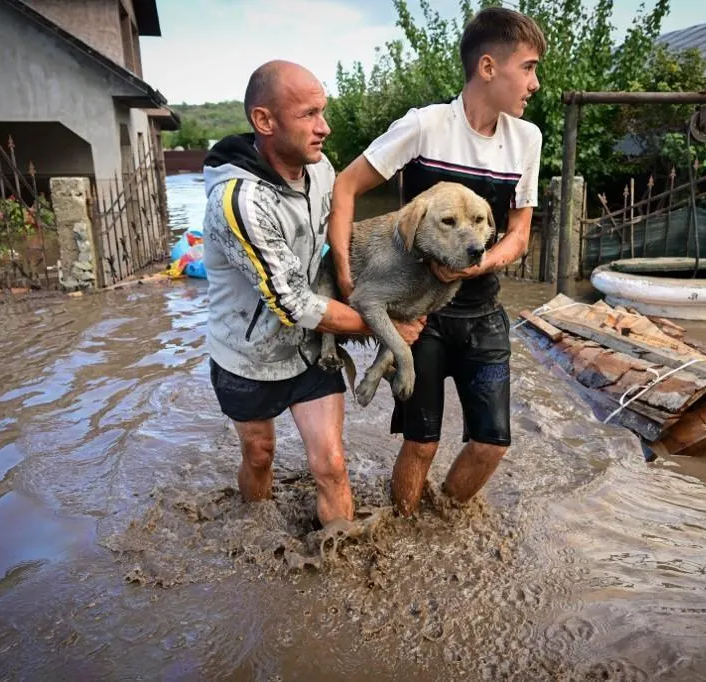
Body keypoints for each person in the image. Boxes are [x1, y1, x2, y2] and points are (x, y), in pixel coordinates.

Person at [328, 7, 547, 517]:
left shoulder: (527, 140)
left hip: (483, 312)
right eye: (530, 67)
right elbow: (345, 186)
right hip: (418, 315)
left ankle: (444, 518)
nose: (535, 83)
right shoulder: (424, 126)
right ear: (489, 67)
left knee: (491, 443)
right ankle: (404, 531)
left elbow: (518, 234)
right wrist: (344, 281)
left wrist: (479, 263)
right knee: (420, 444)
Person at [201, 60, 425, 529]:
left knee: (331, 464)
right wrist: (385, 326)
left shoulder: (320, 168)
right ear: (264, 121)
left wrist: (407, 277)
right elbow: (293, 305)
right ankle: (255, 535)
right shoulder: (240, 202)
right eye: (309, 115)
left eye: (323, 111)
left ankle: (338, 572)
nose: (324, 127)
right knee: (260, 455)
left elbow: (342, 240)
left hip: (310, 351)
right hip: (248, 356)